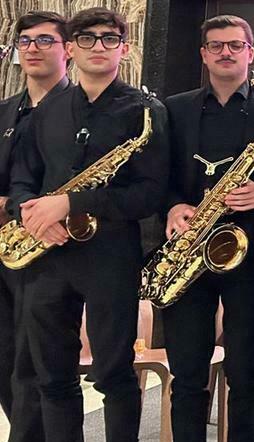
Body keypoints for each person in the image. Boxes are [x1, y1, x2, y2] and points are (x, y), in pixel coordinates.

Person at [5, 7, 170, 441]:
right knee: (51, 377)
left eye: (109, 39)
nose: (99, 46)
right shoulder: (47, 110)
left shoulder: (146, 111)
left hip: (110, 257)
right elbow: (23, 179)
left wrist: (70, 203)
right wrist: (31, 212)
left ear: (125, 47)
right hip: (48, 255)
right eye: (88, 38)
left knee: (115, 375)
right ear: (72, 49)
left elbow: (150, 194)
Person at [159, 15, 254, 442]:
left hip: (250, 253)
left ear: (250, 52)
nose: (226, 52)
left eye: (235, 45)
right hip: (188, 252)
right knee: (188, 374)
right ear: (203, 54)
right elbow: (158, 177)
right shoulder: (173, 109)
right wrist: (172, 207)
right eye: (216, 45)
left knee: (248, 373)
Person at [0, 10, 68, 442]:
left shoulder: (84, 110)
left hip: (49, 254)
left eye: (45, 40)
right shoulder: (5, 111)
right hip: (3, 251)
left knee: (33, 366)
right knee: (4, 360)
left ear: (68, 50)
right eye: (25, 42)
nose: (33, 49)